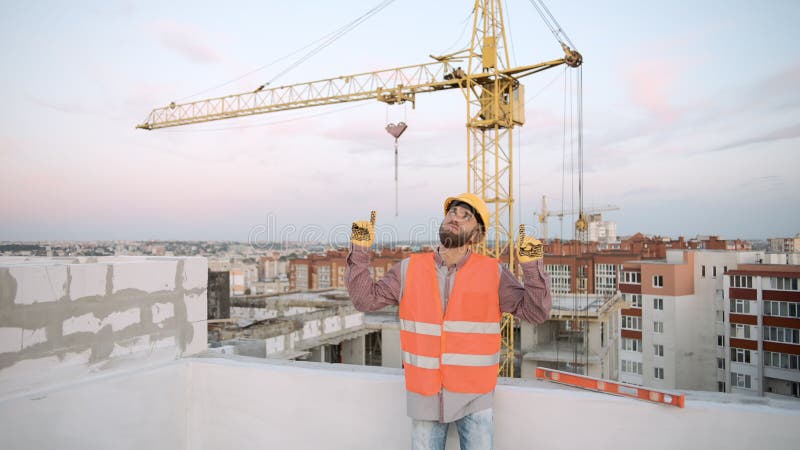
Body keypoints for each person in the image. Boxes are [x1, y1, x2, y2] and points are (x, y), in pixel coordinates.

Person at [346, 193, 552, 450]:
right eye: (453, 212)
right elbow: (365, 300)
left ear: (476, 236)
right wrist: (360, 251)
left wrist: (532, 268)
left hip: (476, 399)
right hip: (425, 397)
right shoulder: (409, 269)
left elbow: (536, 313)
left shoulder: (493, 272)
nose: (456, 217)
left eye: (466, 217)